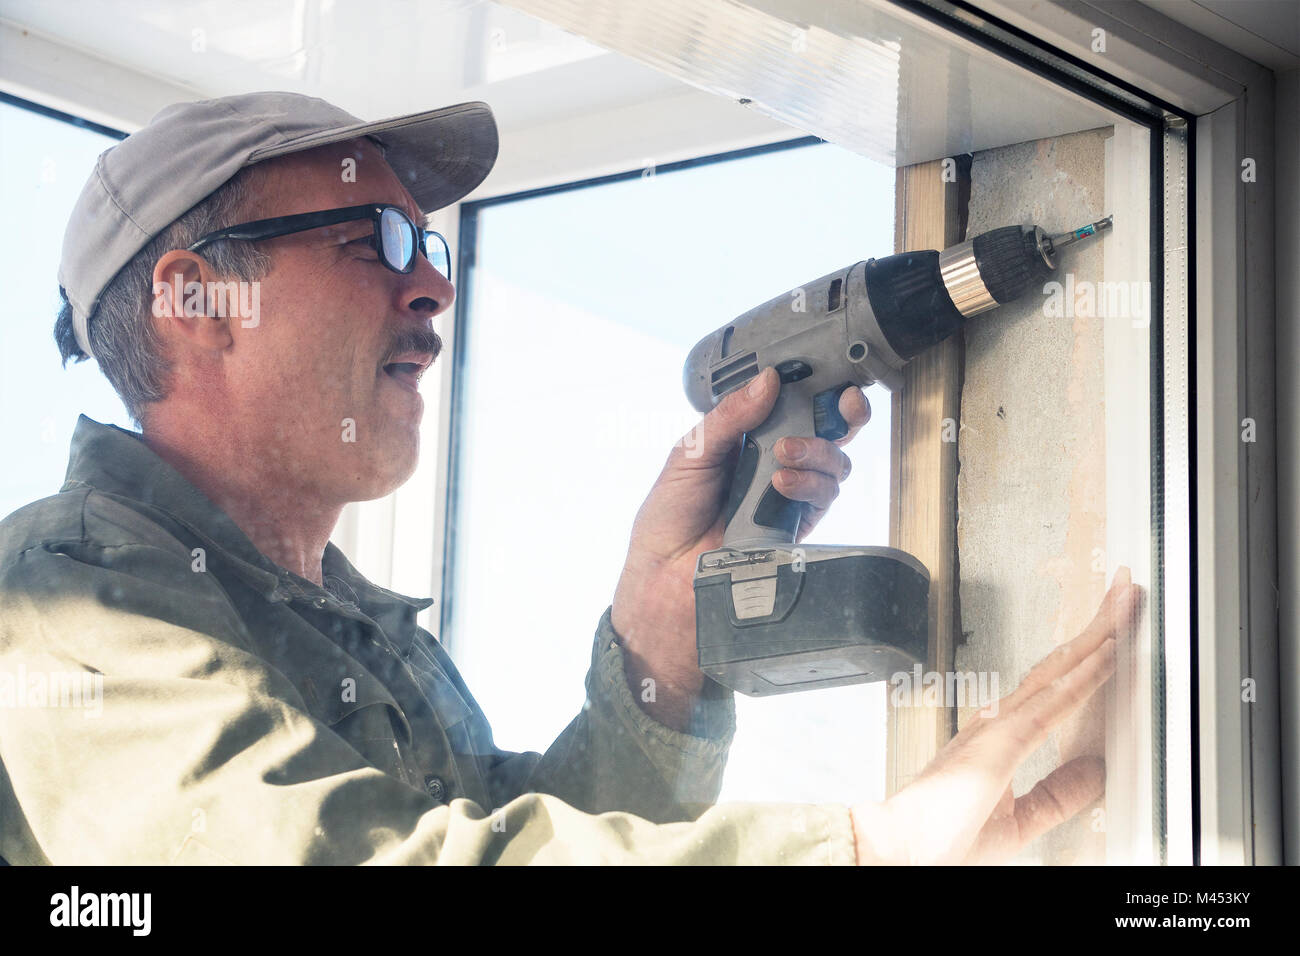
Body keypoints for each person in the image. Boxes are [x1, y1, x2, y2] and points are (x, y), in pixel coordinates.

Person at [0, 92, 1140, 864]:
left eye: (432, 249)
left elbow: (535, 840)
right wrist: (850, 849)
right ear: (195, 302)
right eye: (376, 242)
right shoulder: (60, 608)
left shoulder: (360, 633)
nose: (434, 293)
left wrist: (656, 653)